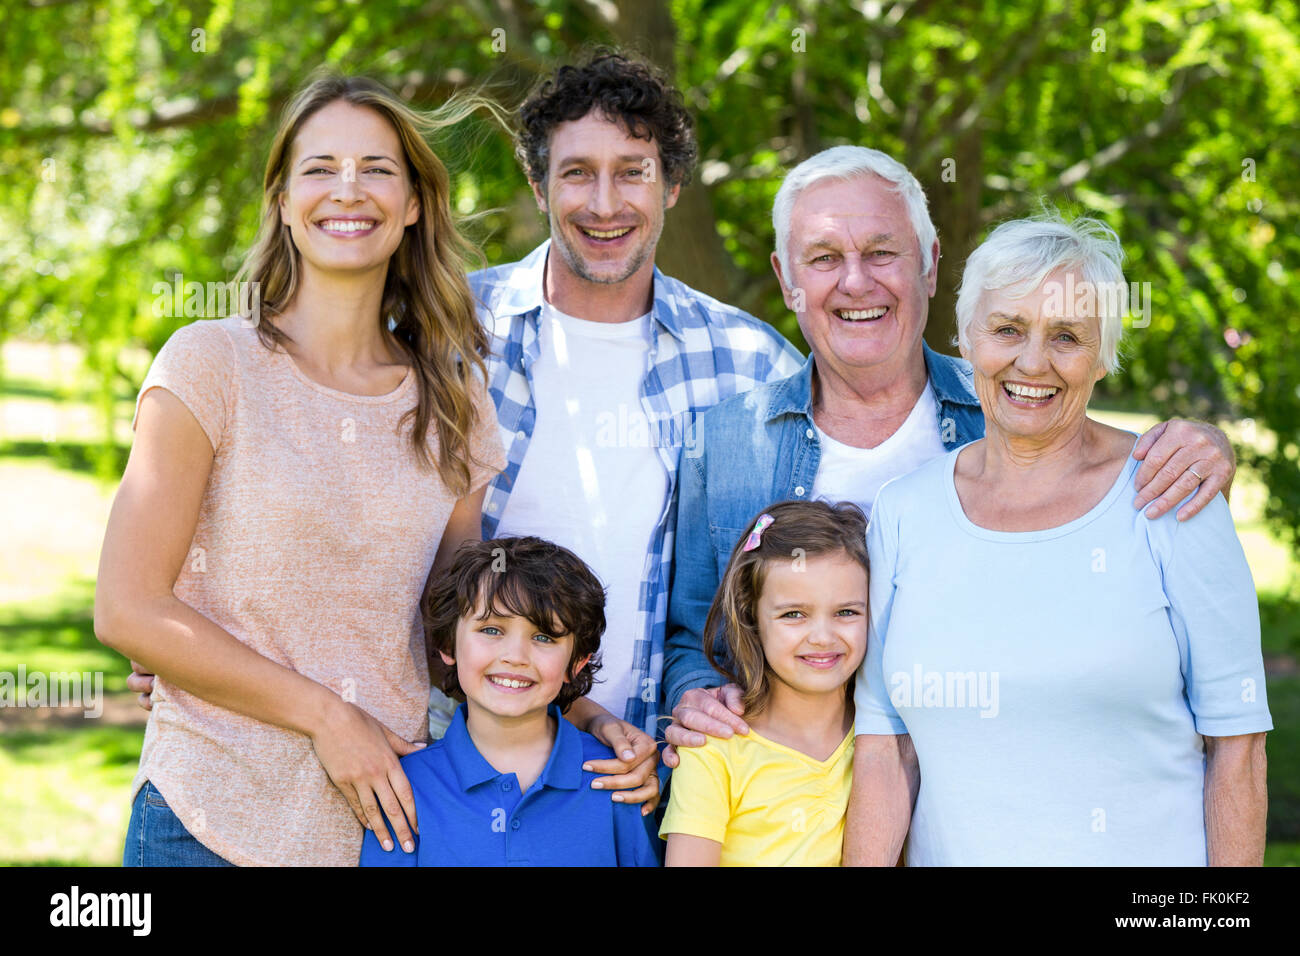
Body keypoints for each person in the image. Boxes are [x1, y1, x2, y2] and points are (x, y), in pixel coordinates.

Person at [662, 146, 1237, 761]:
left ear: (931, 266)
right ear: (787, 280)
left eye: (882, 252)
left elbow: (1093, 464)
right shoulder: (722, 441)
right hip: (791, 814)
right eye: (825, 258)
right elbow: (693, 636)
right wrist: (695, 693)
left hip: (966, 796)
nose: (856, 281)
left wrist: (1208, 445)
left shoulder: (1010, 403)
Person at [96, 72, 506, 866]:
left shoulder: (455, 402)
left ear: (414, 203)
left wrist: (585, 718)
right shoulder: (211, 365)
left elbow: (459, 632)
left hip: (383, 829)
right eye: (319, 169)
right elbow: (127, 608)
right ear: (282, 200)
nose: (347, 190)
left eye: (377, 169)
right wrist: (327, 715)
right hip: (206, 817)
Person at [843, 212, 1271, 866]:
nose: (1032, 362)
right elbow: (884, 745)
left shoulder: (1169, 493)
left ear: (1103, 357)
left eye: (1067, 335)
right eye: (1007, 329)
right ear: (965, 338)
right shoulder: (904, 513)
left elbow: (1237, 750)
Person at [463, 49, 803, 794]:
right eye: (578, 172)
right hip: (459, 768)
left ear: (673, 184)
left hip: (665, 778)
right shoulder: (450, 327)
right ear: (538, 183)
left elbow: (850, 522)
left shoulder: (752, 365)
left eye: (634, 171)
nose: (605, 203)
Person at [362, 536, 658, 866]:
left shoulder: (619, 778)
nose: (515, 656)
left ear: (576, 663)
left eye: (543, 637)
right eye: (491, 630)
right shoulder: (406, 785)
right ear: (447, 644)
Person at [660, 501, 868, 866]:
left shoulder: (879, 738)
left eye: (846, 612)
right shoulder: (715, 747)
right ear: (751, 617)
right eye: (794, 614)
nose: (822, 636)